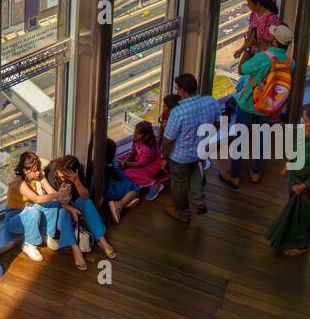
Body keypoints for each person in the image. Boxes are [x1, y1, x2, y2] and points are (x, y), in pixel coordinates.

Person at [220, 22, 295, 188]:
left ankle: (235, 175)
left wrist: (248, 48)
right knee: (263, 138)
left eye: (272, 36)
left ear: (274, 41)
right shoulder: (290, 62)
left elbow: (243, 69)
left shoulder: (262, 58)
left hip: (249, 102)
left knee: (240, 137)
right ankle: (256, 172)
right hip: (269, 106)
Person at [267, 106, 310, 257]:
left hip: (306, 186)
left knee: (305, 215)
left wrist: (304, 186)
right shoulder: (309, 133)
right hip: (297, 179)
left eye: (305, 121)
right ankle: (291, 237)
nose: (302, 123)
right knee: (296, 211)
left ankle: (301, 245)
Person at [160, 73, 220, 223]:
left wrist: (164, 157)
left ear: (182, 91)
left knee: (179, 183)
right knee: (195, 172)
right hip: (201, 150)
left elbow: (168, 139)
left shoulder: (178, 112)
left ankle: (182, 213)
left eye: (177, 88)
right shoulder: (210, 102)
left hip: (180, 156)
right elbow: (217, 123)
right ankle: (199, 200)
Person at [47, 154, 115, 268]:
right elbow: (53, 202)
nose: (62, 178)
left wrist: (76, 182)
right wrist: (69, 206)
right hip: (60, 208)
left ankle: (101, 240)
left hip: (74, 204)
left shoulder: (77, 173)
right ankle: (75, 249)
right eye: (61, 175)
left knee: (86, 202)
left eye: (67, 177)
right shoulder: (51, 175)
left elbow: (85, 196)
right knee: (64, 213)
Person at [5, 150, 67, 262]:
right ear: (25, 171)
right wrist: (58, 194)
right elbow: (37, 199)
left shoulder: (38, 176)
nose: (38, 173)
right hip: (15, 218)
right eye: (34, 170)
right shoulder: (18, 183)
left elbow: (52, 192)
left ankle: (47, 234)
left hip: (30, 210)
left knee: (53, 203)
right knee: (33, 212)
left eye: (38, 169)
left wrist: (63, 195)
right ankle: (29, 244)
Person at [122, 119, 169, 198]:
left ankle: (155, 184)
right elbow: (133, 152)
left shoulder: (148, 149)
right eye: (135, 132)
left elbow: (141, 164)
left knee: (128, 174)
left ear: (146, 136)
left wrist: (126, 164)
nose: (135, 135)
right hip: (140, 160)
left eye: (138, 134)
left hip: (151, 166)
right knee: (119, 158)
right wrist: (124, 162)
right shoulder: (135, 140)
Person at [233, 0, 280, 66]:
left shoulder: (272, 18)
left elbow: (273, 42)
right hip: (251, 53)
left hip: (264, 57)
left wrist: (257, 43)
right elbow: (251, 37)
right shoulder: (253, 15)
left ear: (257, 4)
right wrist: (241, 50)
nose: (248, 6)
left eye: (249, 4)